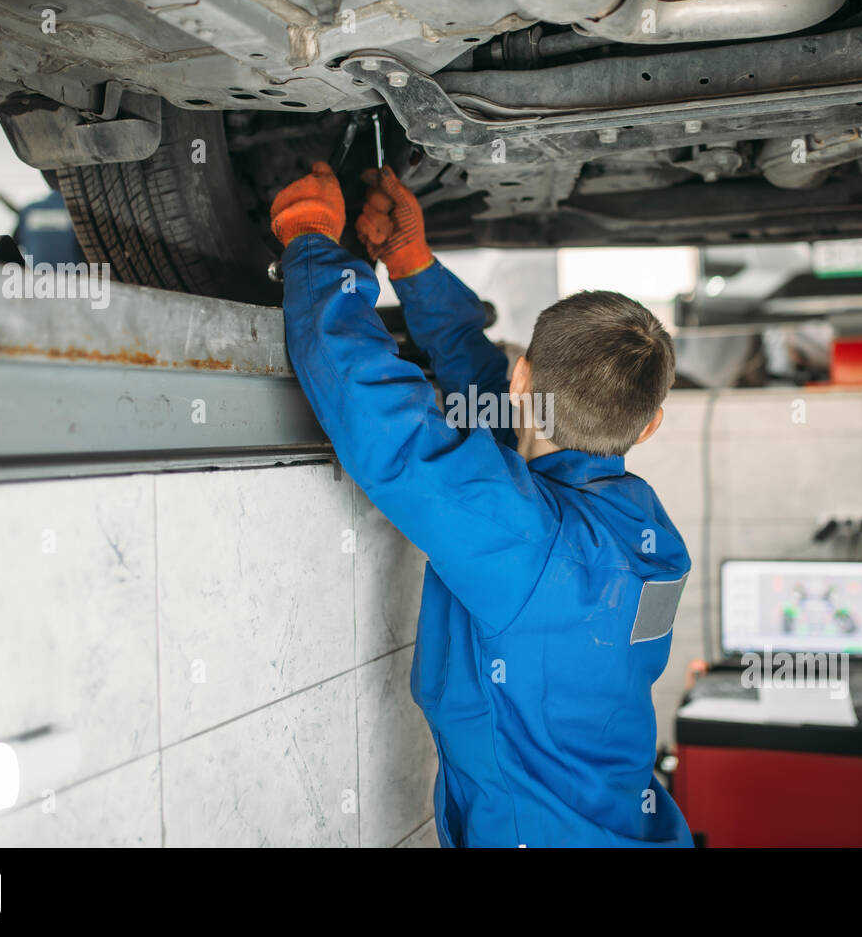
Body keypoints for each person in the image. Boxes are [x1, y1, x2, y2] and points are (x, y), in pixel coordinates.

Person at [271, 161, 692, 848]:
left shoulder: (532, 538)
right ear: (648, 427)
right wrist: (413, 268)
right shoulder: (646, 532)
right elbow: (505, 428)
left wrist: (314, 247)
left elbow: (390, 429)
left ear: (523, 375)